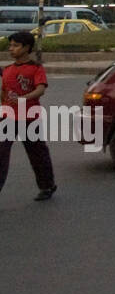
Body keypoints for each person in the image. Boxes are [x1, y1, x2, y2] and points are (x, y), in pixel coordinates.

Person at [0, 31, 57, 202]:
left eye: (16, 45)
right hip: (7, 117)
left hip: (30, 117)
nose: (11, 49)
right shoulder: (8, 70)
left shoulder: (36, 68)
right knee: (1, 154)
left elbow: (41, 89)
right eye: (10, 45)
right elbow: (4, 93)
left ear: (27, 48)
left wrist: (23, 99)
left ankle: (47, 186)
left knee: (37, 154)